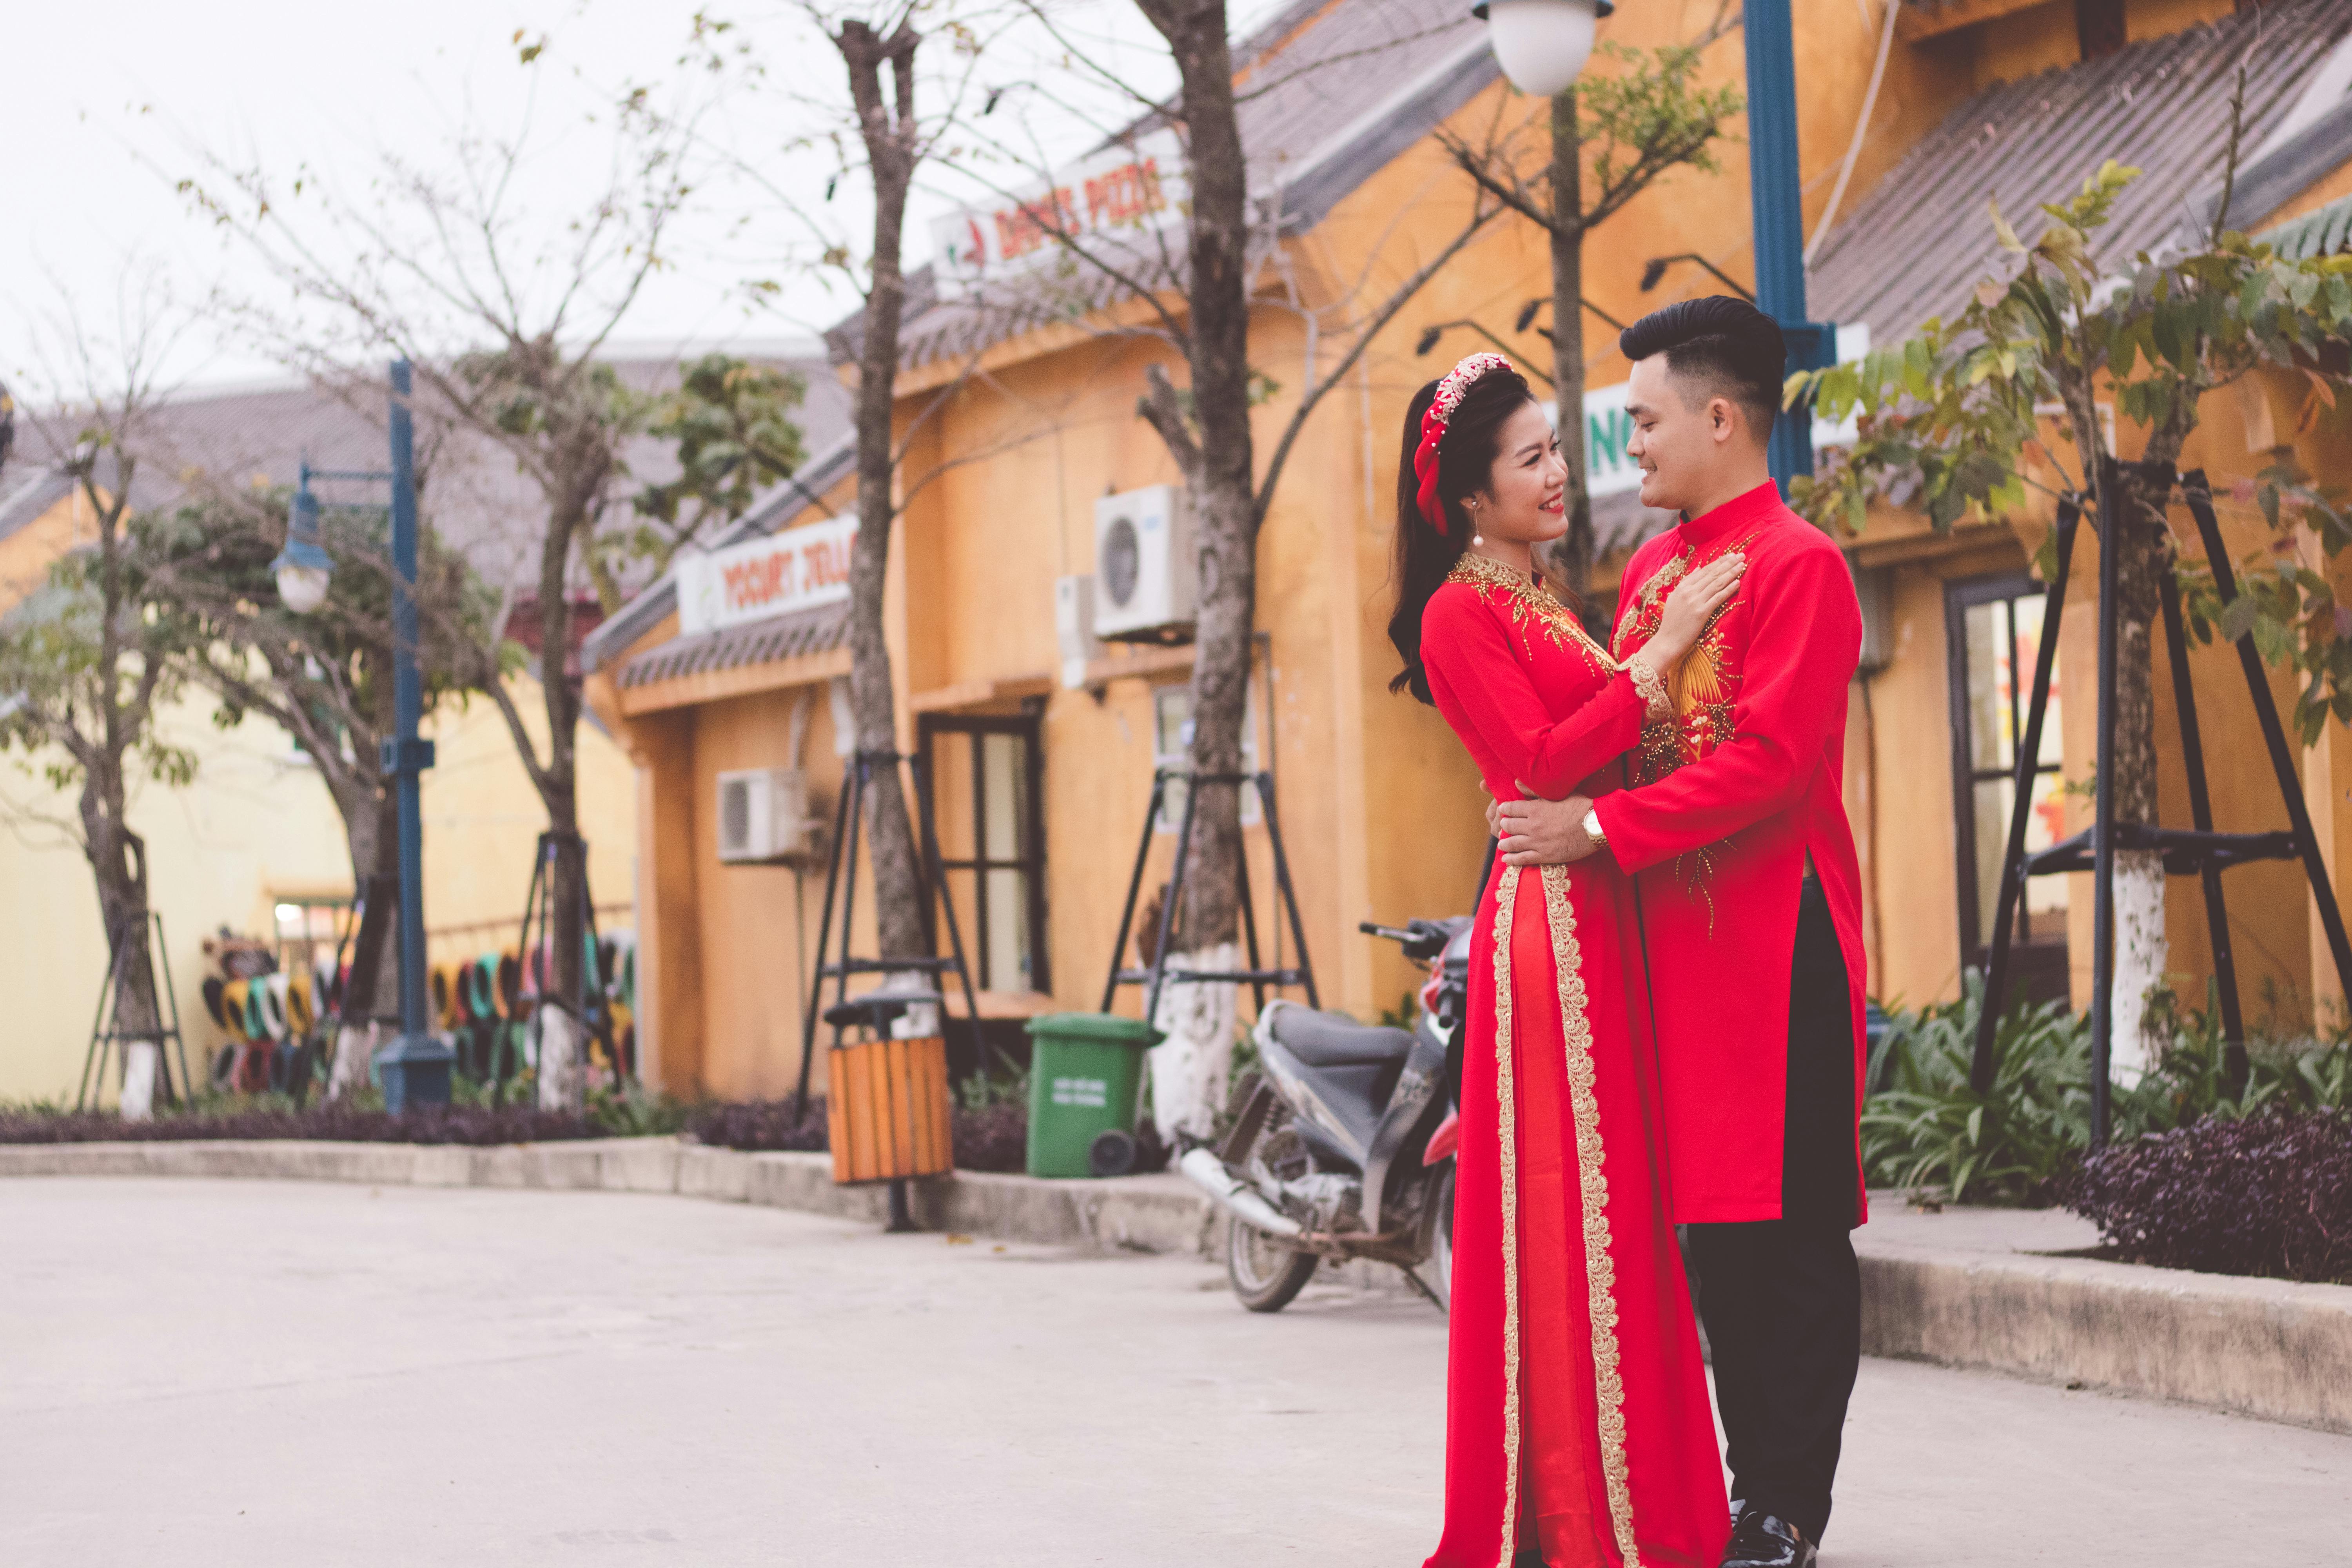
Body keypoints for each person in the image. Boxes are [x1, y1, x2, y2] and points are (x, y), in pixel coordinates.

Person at [1490, 298, 1870, 1568]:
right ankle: (1720, 1495)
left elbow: (1768, 765)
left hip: (1779, 955)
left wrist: (1595, 833)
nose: (1630, 448)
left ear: (1720, 418)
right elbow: (1603, 726)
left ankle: (1784, 1508)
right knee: (1707, 1237)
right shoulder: (1655, 579)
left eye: (1644, 422)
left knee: (1795, 1236)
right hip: (1666, 956)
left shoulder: (1802, 566)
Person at [1391, 350, 1746, 1568]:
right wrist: (1661, 657)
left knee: (1618, 1211)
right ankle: (1565, 1510)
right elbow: (1542, 763)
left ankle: (1621, 1502)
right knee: (1571, 1210)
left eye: (1558, 449)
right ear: (1470, 500)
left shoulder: (1545, 598)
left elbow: (1603, 758)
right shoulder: (1459, 613)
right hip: (1549, 935)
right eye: (1531, 459)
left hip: (1604, 909)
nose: (1560, 475)